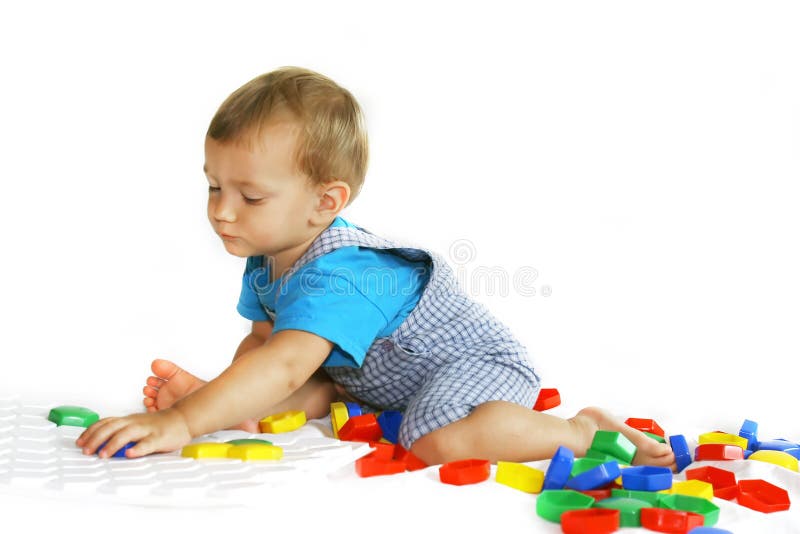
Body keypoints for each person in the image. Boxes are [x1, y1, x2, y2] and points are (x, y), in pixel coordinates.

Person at [77, 66, 675, 468]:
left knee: (433, 440)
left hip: (475, 366)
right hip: (377, 379)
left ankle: (581, 430)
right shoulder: (267, 258)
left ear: (327, 203)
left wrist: (184, 421)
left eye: (250, 197)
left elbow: (286, 364)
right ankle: (240, 407)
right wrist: (225, 400)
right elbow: (264, 346)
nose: (222, 213)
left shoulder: (341, 273)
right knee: (305, 386)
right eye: (213, 187)